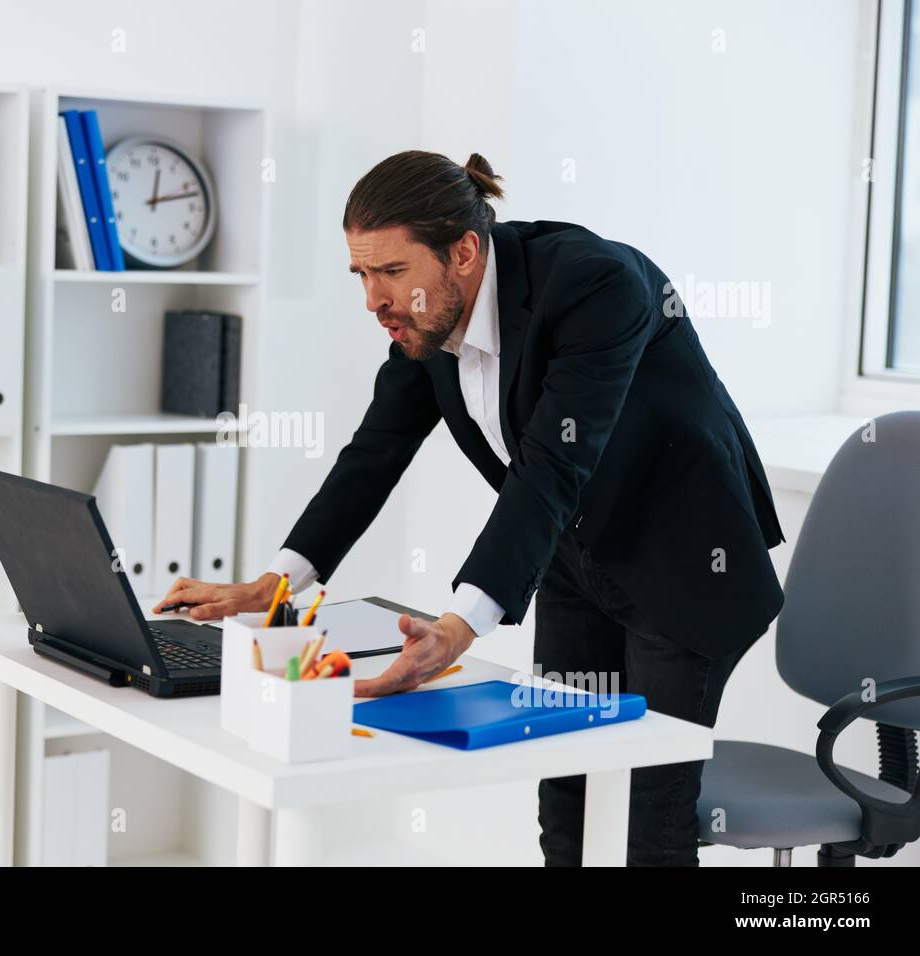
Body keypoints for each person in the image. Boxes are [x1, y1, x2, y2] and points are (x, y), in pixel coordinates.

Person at [153, 150, 785, 866]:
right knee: (567, 806)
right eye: (361, 274)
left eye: (391, 272)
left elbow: (553, 465)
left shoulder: (593, 284)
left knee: (650, 822)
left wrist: (459, 626)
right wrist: (274, 584)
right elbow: (372, 455)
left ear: (463, 251)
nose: (373, 299)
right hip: (580, 565)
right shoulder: (426, 324)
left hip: (687, 567)